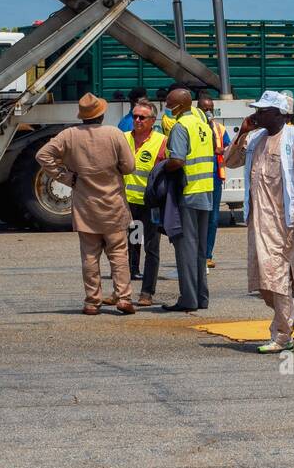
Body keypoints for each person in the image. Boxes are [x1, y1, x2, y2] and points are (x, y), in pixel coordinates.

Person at [224, 90, 294, 354]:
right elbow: (230, 161)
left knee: (276, 277)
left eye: (263, 111)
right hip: (257, 221)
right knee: (261, 280)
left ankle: (282, 335)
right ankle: (289, 308)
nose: (257, 114)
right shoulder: (255, 139)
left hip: (284, 223)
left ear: (279, 114)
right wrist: (242, 132)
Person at [35, 93, 137, 315]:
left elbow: (43, 155)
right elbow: (129, 166)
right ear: (102, 114)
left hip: (85, 206)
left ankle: (92, 301)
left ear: (82, 116)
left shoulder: (69, 135)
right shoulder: (114, 134)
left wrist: (65, 177)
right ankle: (124, 298)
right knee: (119, 254)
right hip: (113, 204)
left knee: (90, 256)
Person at [161, 86, 214, 311]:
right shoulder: (201, 121)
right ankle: (202, 297)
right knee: (201, 249)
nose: (166, 107)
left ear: (179, 106)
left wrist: (163, 165)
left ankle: (188, 299)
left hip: (189, 191)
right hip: (206, 190)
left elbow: (178, 160)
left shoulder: (181, 126)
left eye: (169, 103)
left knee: (186, 248)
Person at [123, 99, 167, 306]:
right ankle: (124, 290)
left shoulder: (161, 141)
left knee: (151, 247)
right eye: (135, 116)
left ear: (152, 120)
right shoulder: (123, 139)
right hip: (127, 204)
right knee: (130, 245)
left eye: (142, 117)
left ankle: (147, 293)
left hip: (150, 205)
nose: (138, 120)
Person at [197, 92, 227, 268]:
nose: (209, 112)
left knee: (213, 218)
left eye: (211, 109)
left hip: (215, 177)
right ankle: (196, 252)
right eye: (205, 109)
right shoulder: (193, 127)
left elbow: (228, 147)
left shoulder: (219, 129)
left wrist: (220, 150)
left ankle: (207, 254)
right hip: (198, 177)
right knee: (198, 217)